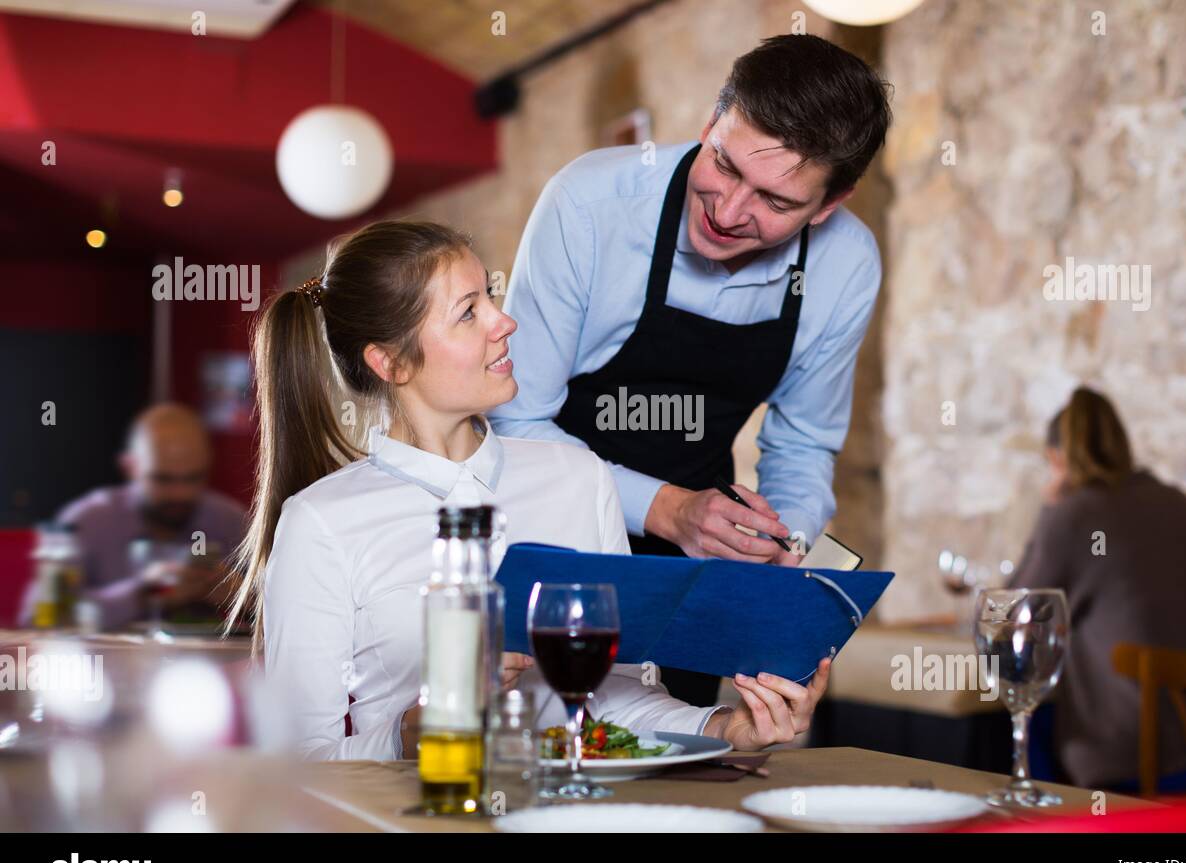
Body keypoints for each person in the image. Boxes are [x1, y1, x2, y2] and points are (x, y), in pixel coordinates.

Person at [230, 220, 831, 762]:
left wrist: (729, 729)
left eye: (490, 296)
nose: (504, 321)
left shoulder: (578, 477)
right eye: (469, 312)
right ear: (391, 363)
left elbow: (613, 701)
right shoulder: (322, 521)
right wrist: (429, 724)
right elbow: (297, 759)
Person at [491, 34, 891, 704]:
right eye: (725, 165)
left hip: (697, 577)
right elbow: (514, 419)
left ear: (829, 205)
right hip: (553, 549)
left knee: (676, 773)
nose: (729, 213)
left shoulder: (846, 265)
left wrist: (779, 542)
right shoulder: (590, 204)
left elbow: (804, 443)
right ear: (710, 122)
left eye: (777, 201)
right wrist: (671, 509)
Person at [1007, 387, 1186, 789]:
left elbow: (1009, 615)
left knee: (1014, 723)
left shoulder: (1072, 514)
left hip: (1143, 764)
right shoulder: (1179, 502)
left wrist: (1048, 510)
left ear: (1056, 460)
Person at [19, 403, 245, 629]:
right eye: (163, 479)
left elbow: (273, 622)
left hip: (207, 664)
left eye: (194, 478)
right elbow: (36, 620)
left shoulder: (230, 521)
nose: (181, 493)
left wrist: (245, 599)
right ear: (130, 467)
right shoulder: (88, 520)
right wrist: (140, 596)